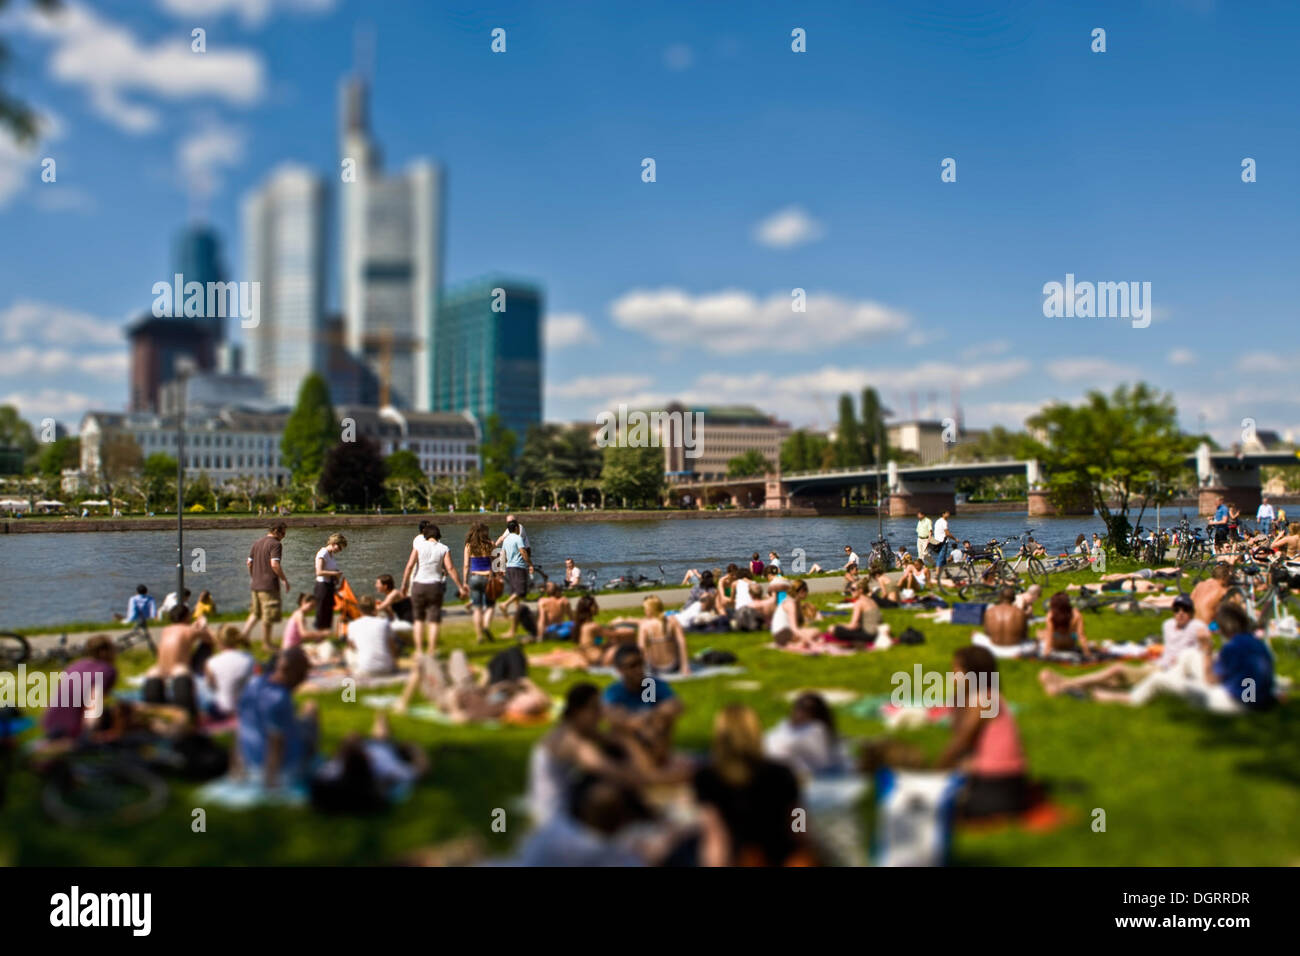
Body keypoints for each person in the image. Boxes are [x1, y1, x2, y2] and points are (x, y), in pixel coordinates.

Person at [528, 683, 664, 826]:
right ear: (578, 711)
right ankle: (641, 818)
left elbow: (620, 742)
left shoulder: (574, 729)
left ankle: (640, 814)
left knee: (614, 753)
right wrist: (653, 777)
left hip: (565, 802)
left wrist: (626, 731)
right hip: (557, 817)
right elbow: (614, 772)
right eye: (595, 709)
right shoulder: (570, 741)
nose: (600, 716)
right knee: (607, 786)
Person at [693, 705, 809, 866]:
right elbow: (798, 816)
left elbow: (715, 836)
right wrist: (802, 843)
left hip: (737, 856)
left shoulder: (707, 777)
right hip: (779, 854)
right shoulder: (782, 772)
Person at [1040, 594, 1209, 703]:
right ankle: (1074, 689)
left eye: (1185, 610)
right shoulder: (1168, 625)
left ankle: (1064, 684)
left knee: (1116, 670)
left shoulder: (1197, 627)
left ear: (1192, 612)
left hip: (1167, 672)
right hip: (1155, 665)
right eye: (1176, 609)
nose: (1180, 613)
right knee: (1115, 681)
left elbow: (1202, 656)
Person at [939, 646, 1029, 819]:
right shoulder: (974, 698)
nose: (952, 674)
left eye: (957, 669)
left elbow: (961, 741)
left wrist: (934, 771)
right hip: (987, 777)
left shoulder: (984, 699)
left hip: (999, 781)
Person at [232, 646, 318, 789]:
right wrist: (271, 784)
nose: (303, 680)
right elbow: (275, 742)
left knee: (300, 717)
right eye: (302, 675)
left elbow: (240, 729)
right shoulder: (279, 698)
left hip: (249, 762)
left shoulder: (252, 685)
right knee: (311, 709)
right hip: (282, 768)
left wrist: (235, 768)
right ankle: (311, 761)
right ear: (294, 673)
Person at [603, 644, 684, 764]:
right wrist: (639, 723)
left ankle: (653, 763)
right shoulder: (615, 691)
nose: (638, 669)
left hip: (651, 735)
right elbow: (613, 716)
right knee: (620, 731)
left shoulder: (649, 685)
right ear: (620, 669)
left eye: (640, 663)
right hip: (629, 743)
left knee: (662, 721)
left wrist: (652, 716)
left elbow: (675, 705)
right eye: (632, 666)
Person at [400, 522, 468, 655]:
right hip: (435, 585)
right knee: (434, 619)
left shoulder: (419, 546)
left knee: (418, 619)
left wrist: (404, 585)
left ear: (425, 535)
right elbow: (450, 568)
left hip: (418, 584)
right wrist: (461, 587)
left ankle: (419, 650)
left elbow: (409, 566)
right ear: (438, 535)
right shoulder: (444, 548)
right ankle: (431, 650)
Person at [142, 605, 211, 718]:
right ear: (187, 616)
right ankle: (188, 713)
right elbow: (211, 640)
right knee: (206, 646)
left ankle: (155, 712)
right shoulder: (190, 630)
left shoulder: (166, 630)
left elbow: (183, 633)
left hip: (159, 671)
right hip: (180, 674)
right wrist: (203, 626)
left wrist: (194, 629)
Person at [43, 635, 117, 739]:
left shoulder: (74, 665)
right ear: (106, 652)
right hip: (74, 730)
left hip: (50, 723)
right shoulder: (106, 670)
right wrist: (88, 734)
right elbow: (93, 704)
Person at [764, 693, 846, 776]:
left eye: (807, 710)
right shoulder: (784, 725)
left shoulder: (816, 730)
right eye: (799, 707)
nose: (800, 712)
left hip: (796, 774)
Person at [242, 522, 289, 649]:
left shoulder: (257, 543)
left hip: (255, 584)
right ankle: (266, 643)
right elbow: (274, 564)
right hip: (268, 585)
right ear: (275, 531)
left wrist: (253, 576)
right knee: (268, 615)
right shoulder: (276, 544)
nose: (284, 536)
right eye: (283, 532)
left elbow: (249, 563)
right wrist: (284, 579)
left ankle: (244, 635)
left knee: (256, 613)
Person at [204, 625, 255, 720]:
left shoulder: (212, 662)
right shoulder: (249, 658)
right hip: (245, 706)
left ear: (218, 642)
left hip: (222, 709)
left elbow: (210, 685)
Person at [637, 595, 691, 676]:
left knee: (647, 648)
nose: (644, 611)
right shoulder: (672, 620)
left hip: (654, 667)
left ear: (649, 610)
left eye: (645, 609)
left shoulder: (644, 625)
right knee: (676, 641)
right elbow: (682, 642)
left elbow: (641, 647)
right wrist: (685, 666)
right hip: (673, 665)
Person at [344, 596, 398, 677]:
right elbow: (392, 646)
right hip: (387, 667)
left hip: (365, 669)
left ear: (359, 609)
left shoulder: (352, 625)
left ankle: (354, 668)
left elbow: (352, 647)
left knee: (347, 651)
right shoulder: (384, 623)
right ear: (374, 608)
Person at [463, 521, 498, 643]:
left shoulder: (468, 546)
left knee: (477, 608)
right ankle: (486, 626)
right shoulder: (491, 544)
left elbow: (466, 566)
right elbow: (497, 563)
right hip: (488, 578)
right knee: (491, 605)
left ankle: (479, 636)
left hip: (474, 578)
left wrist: (464, 582)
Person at [501, 519, 535, 640]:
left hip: (509, 567)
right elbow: (523, 552)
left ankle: (517, 612)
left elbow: (503, 554)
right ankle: (505, 604)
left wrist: (502, 567)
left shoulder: (506, 540)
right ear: (516, 528)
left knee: (514, 590)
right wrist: (530, 564)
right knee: (521, 591)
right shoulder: (518, 538)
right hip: (519, 567)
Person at [771, 579, 824, 648]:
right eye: (806, 590)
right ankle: (801, 643)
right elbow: (794, 628)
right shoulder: (790, 604)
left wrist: (814, 618)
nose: (807, 593)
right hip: (782, 634)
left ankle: (801, 642)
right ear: (802, 591)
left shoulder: (796, 602)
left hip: (785, 632)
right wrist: (810, 641)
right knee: (813, 633)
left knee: (815, 631)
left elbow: (801, 620)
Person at [313, 533, 348, 632]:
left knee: (328, 613)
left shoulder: (330, 554)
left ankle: (325, 635)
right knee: (321, 613)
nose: (340, 550)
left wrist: (336, 575)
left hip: (329, 585)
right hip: (322, 586)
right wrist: (334, 574)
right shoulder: (323, 553)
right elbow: (319, 572)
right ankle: (319, 636)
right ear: (333, 543)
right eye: (339, 547)